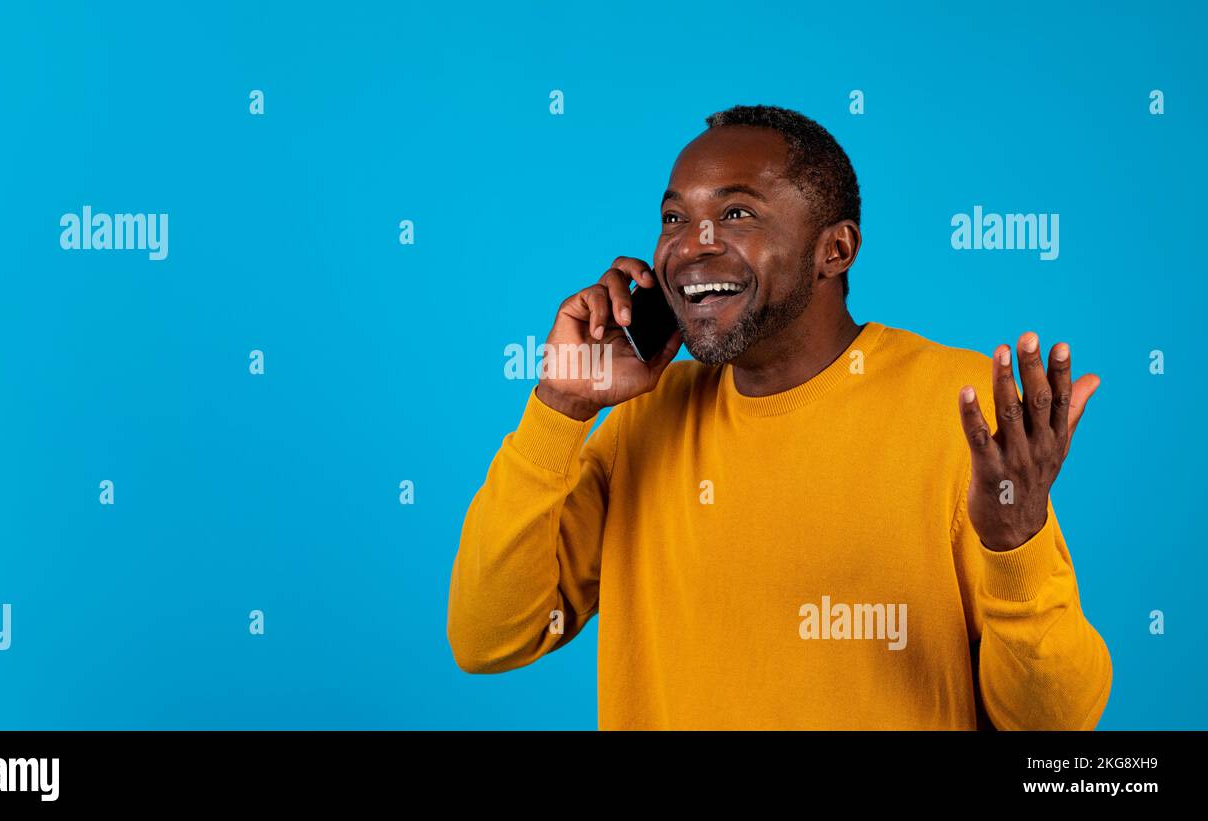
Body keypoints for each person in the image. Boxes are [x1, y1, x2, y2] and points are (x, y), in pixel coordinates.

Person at [447, 104, 1112, 730]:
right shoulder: (642, 420)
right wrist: (563, 406)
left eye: (735, 212)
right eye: (674, 218)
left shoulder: (959, 406)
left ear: (837, 249)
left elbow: (1054, 722)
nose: (691, 247)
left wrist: (1013, 545)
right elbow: (489, 637)